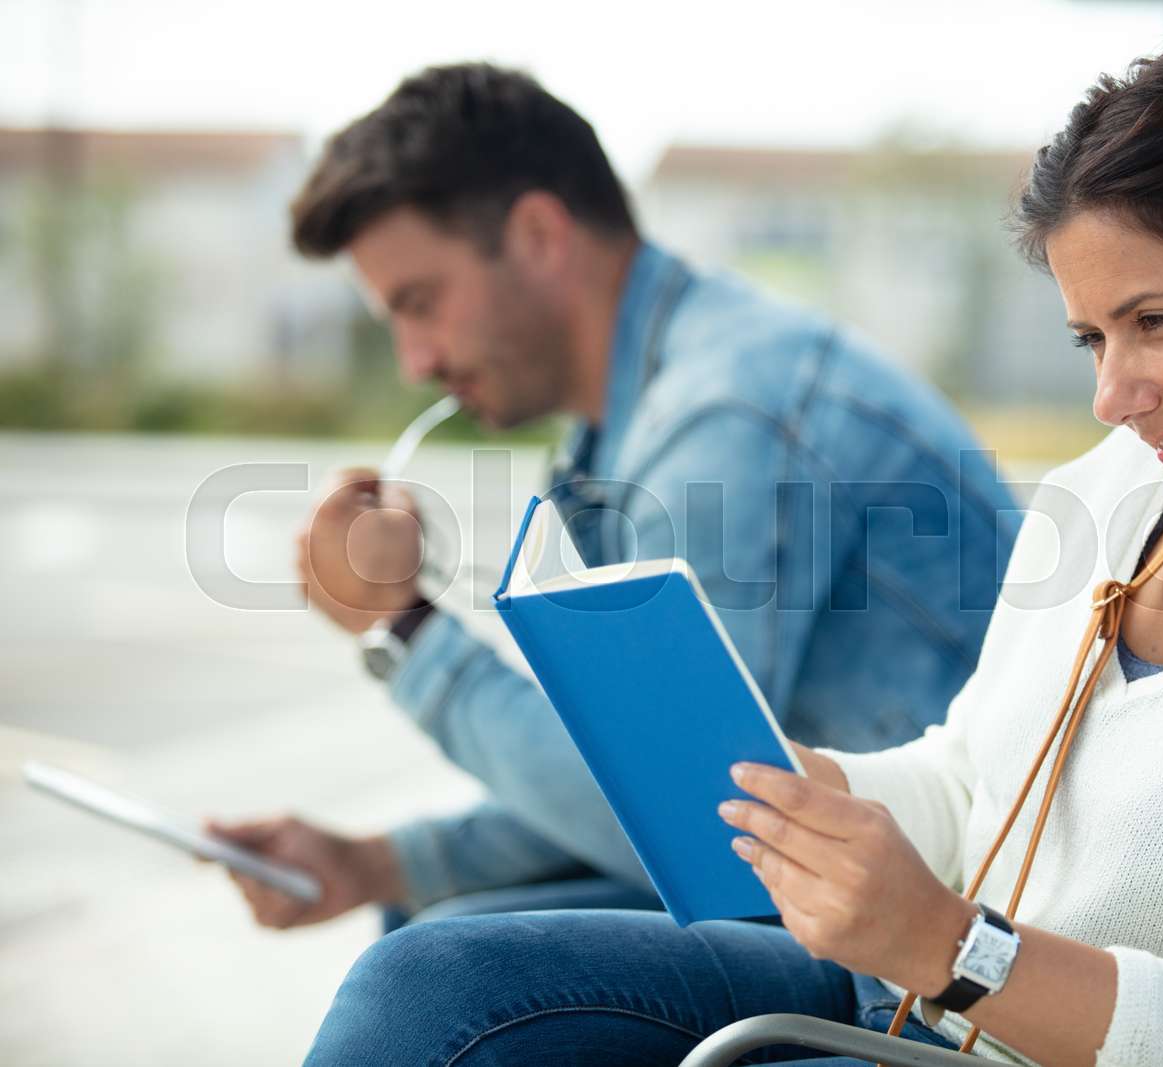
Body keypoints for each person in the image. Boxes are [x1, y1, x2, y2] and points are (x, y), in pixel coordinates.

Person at [300, 42, 1163, 1067]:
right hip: (927, 993)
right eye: (1092, 337)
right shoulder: (1125, 495)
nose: (1113, 395)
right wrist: (811, 793)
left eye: (1155, 321)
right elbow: (972, 777)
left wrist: (949, 945)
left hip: (976, 1011)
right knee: (430, 980)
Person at [210, 63, 1021, 932]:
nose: (415, 359)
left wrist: (403, 628)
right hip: (842, 882)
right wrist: (376, 864)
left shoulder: (728, 414)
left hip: (952, 932)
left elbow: (685, 820)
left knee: (445, 966)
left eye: (421, 302)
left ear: (536, 235)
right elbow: (628, 775)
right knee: (434, 926)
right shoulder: (632, 424)